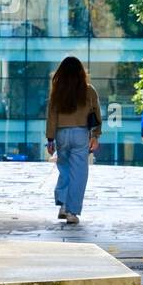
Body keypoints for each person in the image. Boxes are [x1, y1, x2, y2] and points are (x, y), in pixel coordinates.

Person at [45, 56, 101, 225]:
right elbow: (96, 114)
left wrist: (50, 139)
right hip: (80, 133)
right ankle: (72, 212)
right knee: (79, 174)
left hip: (62, 134)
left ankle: (62, 204)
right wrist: (95, 135)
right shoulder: (89, 90)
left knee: (65, 169)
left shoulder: (57, 91)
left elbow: (51, 116)